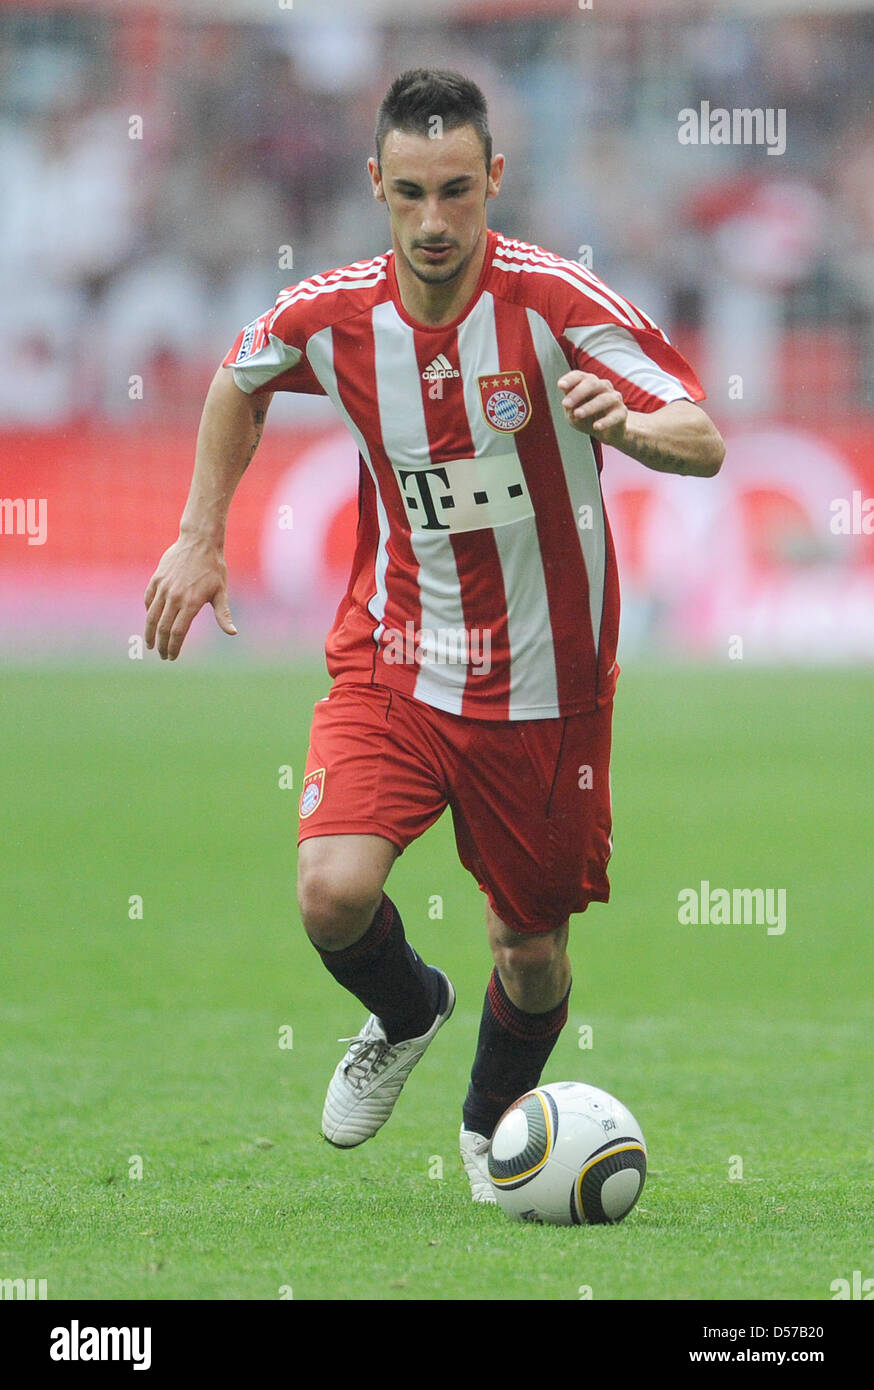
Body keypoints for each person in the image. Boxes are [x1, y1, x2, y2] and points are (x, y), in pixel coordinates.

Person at [144, 68, 724, 1202]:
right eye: (408, 193)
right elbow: (239, 377)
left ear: (494, 179)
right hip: (395, 656)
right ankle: (406, 1008)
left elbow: (700, 434)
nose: (434, 221)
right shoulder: (339, 313)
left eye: (457, 191)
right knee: (330, 890)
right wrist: (198, 534)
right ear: (374, 184)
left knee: (533, 947)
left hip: (549, 685)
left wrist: (641, 433)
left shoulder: (557, 303)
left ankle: (489, 1122)